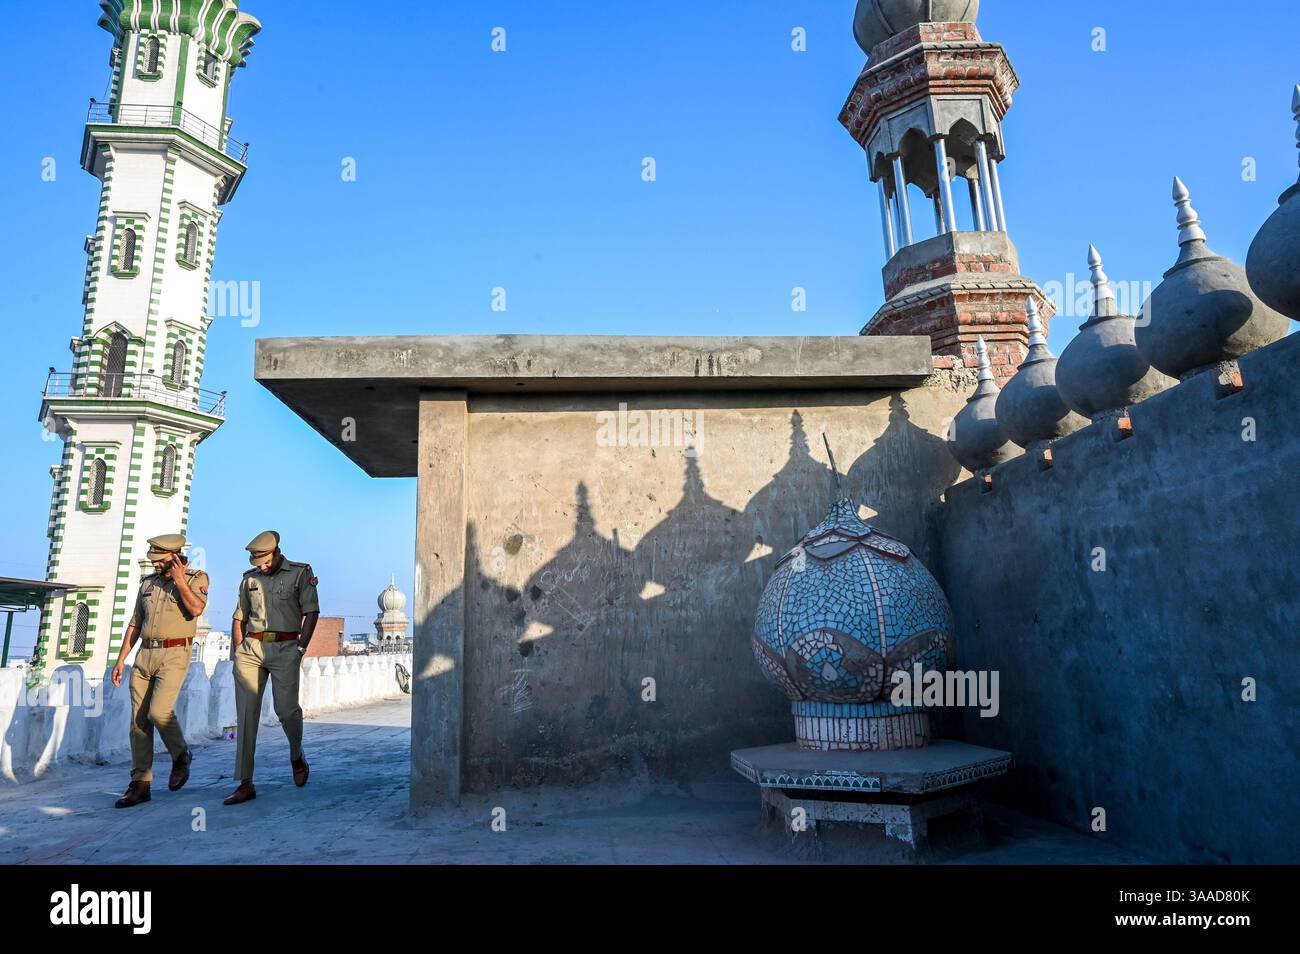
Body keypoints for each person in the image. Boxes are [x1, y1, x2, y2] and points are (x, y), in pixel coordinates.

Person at [110, 533, 208, 808]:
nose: (154, 565)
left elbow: (197, 608)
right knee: (138, 723)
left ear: (175, 558)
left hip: (175, 653)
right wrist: (121, 659)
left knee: (159, 711)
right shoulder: (147, 584)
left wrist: (178, 579)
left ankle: (180, 755)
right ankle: (140, 783)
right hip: (145, 654)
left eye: (160, 560)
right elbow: (135, 622)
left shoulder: (196, 579)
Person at [223, 530, 319, 806]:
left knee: (286, 710)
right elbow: (239, 617)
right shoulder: (249, 579)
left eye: (265, 561)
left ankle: (296, 754)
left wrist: (301, 647)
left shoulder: (300, 573)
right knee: (247, 714)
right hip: (252, 649)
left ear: (276, 552)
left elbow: (311, 611)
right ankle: (245, 782)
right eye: (258, 562)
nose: (262, 566)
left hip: (286, 648)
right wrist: (238, 649)